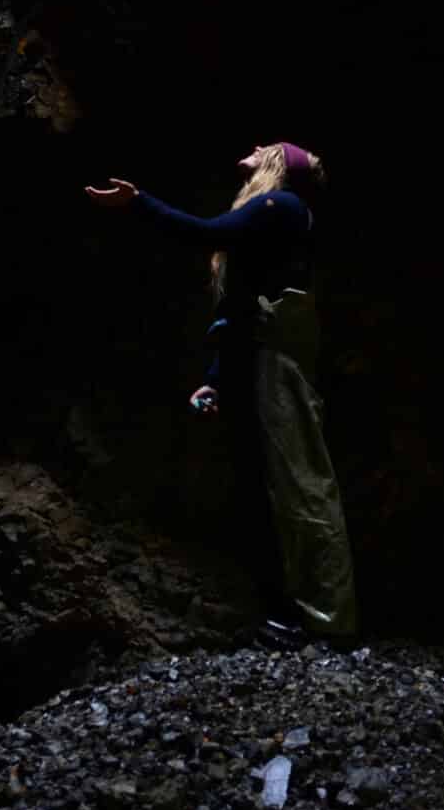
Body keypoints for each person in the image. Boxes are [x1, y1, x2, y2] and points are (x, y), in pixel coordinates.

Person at [85, 141, 357, 650]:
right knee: (260, 489)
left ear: (280, 165)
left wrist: (137, 202)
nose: (255, 147)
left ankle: (317, 617)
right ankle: (286, 613)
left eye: (268, 146)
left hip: (273, 363)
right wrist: (216, 376)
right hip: (254, 359)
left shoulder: (283, 205)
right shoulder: (275, 214)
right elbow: (243, 311)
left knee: (292, 484)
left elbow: (204, 234)